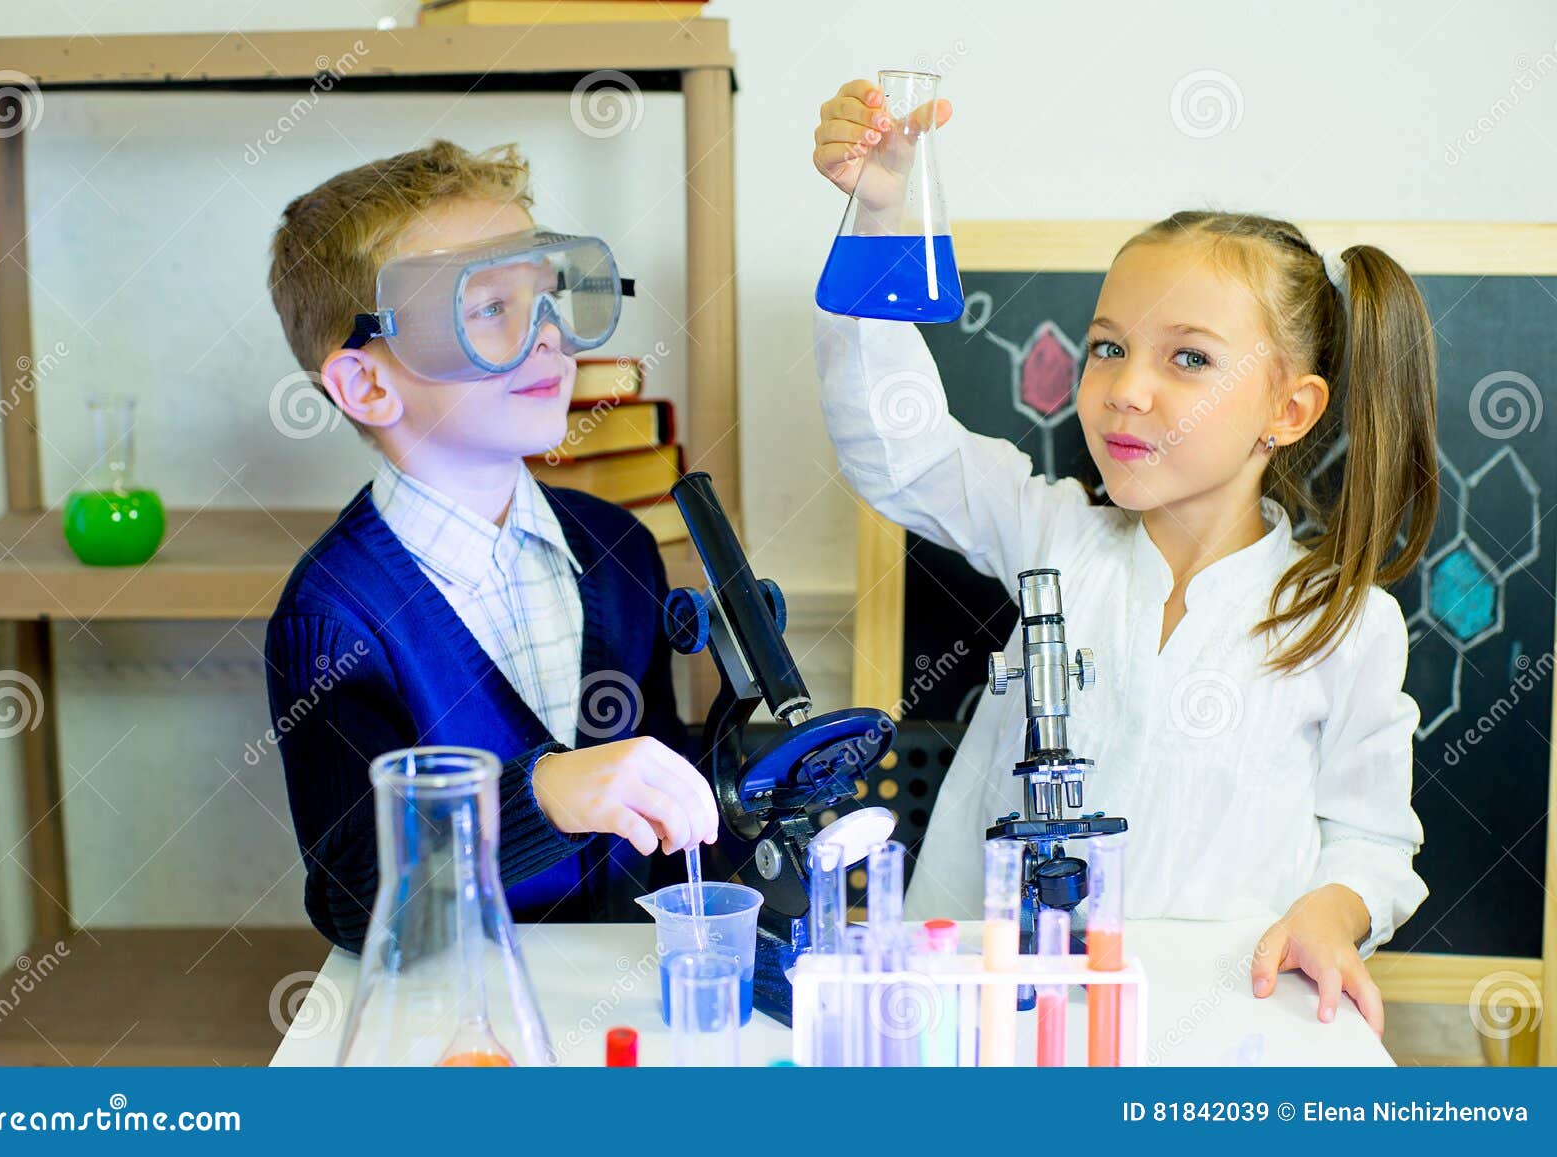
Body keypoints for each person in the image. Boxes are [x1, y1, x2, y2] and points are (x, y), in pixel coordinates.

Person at [811, 80, 1437, 1032]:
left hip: (1221, 1024)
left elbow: (1371, 838)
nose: (1125, 391)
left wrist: (1332, 909)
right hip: (999, 1012)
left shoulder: (1344, 622)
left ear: (1289, 410)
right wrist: (879, 213)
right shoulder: (1053, 536)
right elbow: (896, 449)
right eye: (1108, 347)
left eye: (1188, 358)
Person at [264, 140, 717, 951]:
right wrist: (540, 795)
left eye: (547, 297)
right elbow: (353, 893)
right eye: (487, 309)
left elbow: (667, 801)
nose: (548, 337)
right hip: (458, 1025)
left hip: (627, 1004)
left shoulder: (618, 548)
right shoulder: (333, 617)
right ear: (367, 384)